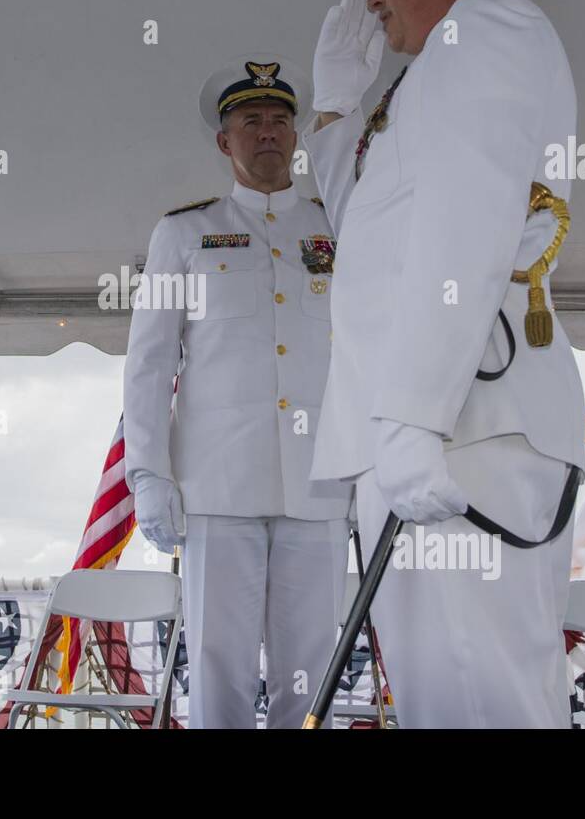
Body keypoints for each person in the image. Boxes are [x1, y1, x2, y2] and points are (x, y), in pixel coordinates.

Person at [303, 0, 585, 727]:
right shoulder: (424, 83)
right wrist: (335, 109)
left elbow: (468, 216)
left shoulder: (488, 27)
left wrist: (413, 416)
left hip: (464, 426)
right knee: (443, 698)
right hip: (435, 429)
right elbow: (368, 228)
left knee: (481, 696)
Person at [123, 59, 351, 728]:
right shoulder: (182, 234)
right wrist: (147, 474)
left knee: (309, 671)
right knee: (219, 668)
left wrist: (371, 469)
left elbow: (364, 355)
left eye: (280, 119)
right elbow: (148, 362)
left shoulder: (337, 228)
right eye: (250, 121)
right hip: (217, 489)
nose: (268, 132)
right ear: (224, 142)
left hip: (320, 485)